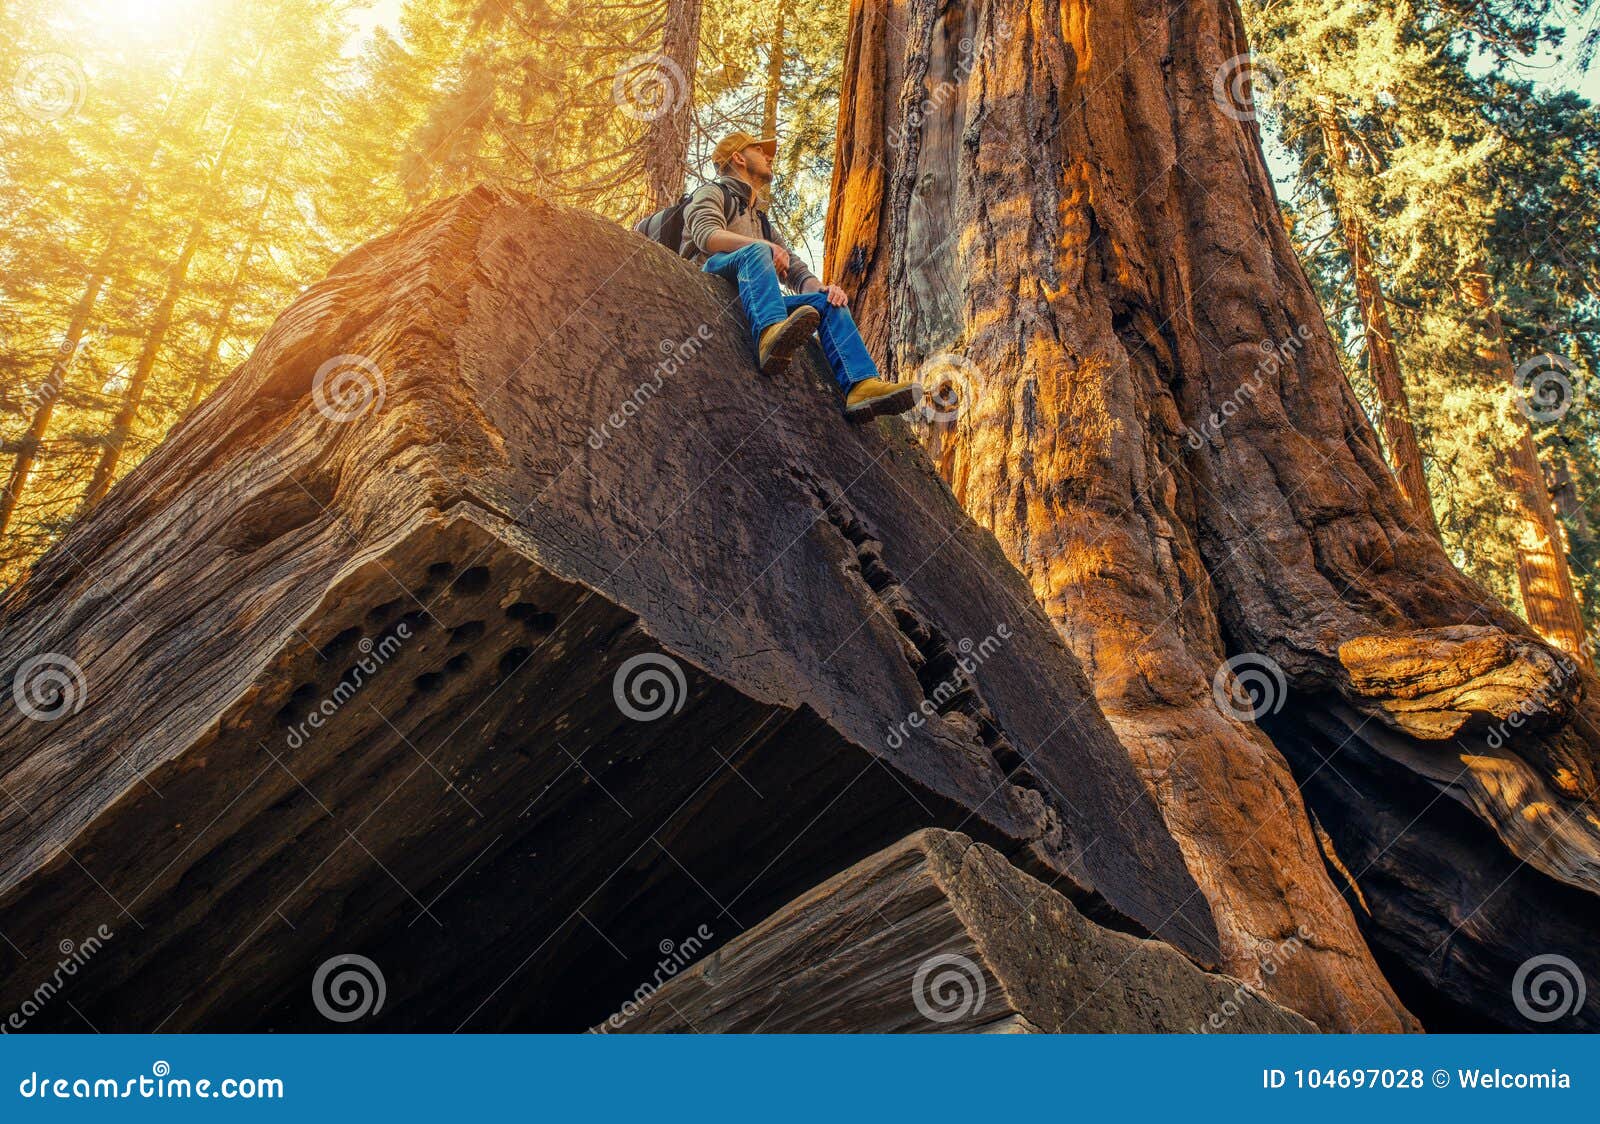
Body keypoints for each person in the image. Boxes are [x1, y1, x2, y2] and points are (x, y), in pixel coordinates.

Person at [681, 131, 922, 421]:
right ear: (738, 157)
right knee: (757, 252)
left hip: (754, 299)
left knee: (827, 303)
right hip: (713, 282)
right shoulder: (713, 192)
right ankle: (770, 338)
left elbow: (795, 270)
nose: (769, 156)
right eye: (760, 150)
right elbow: (707, 236)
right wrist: (762, 247)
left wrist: (823, 289)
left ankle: (861, 386)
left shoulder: (762, 222)